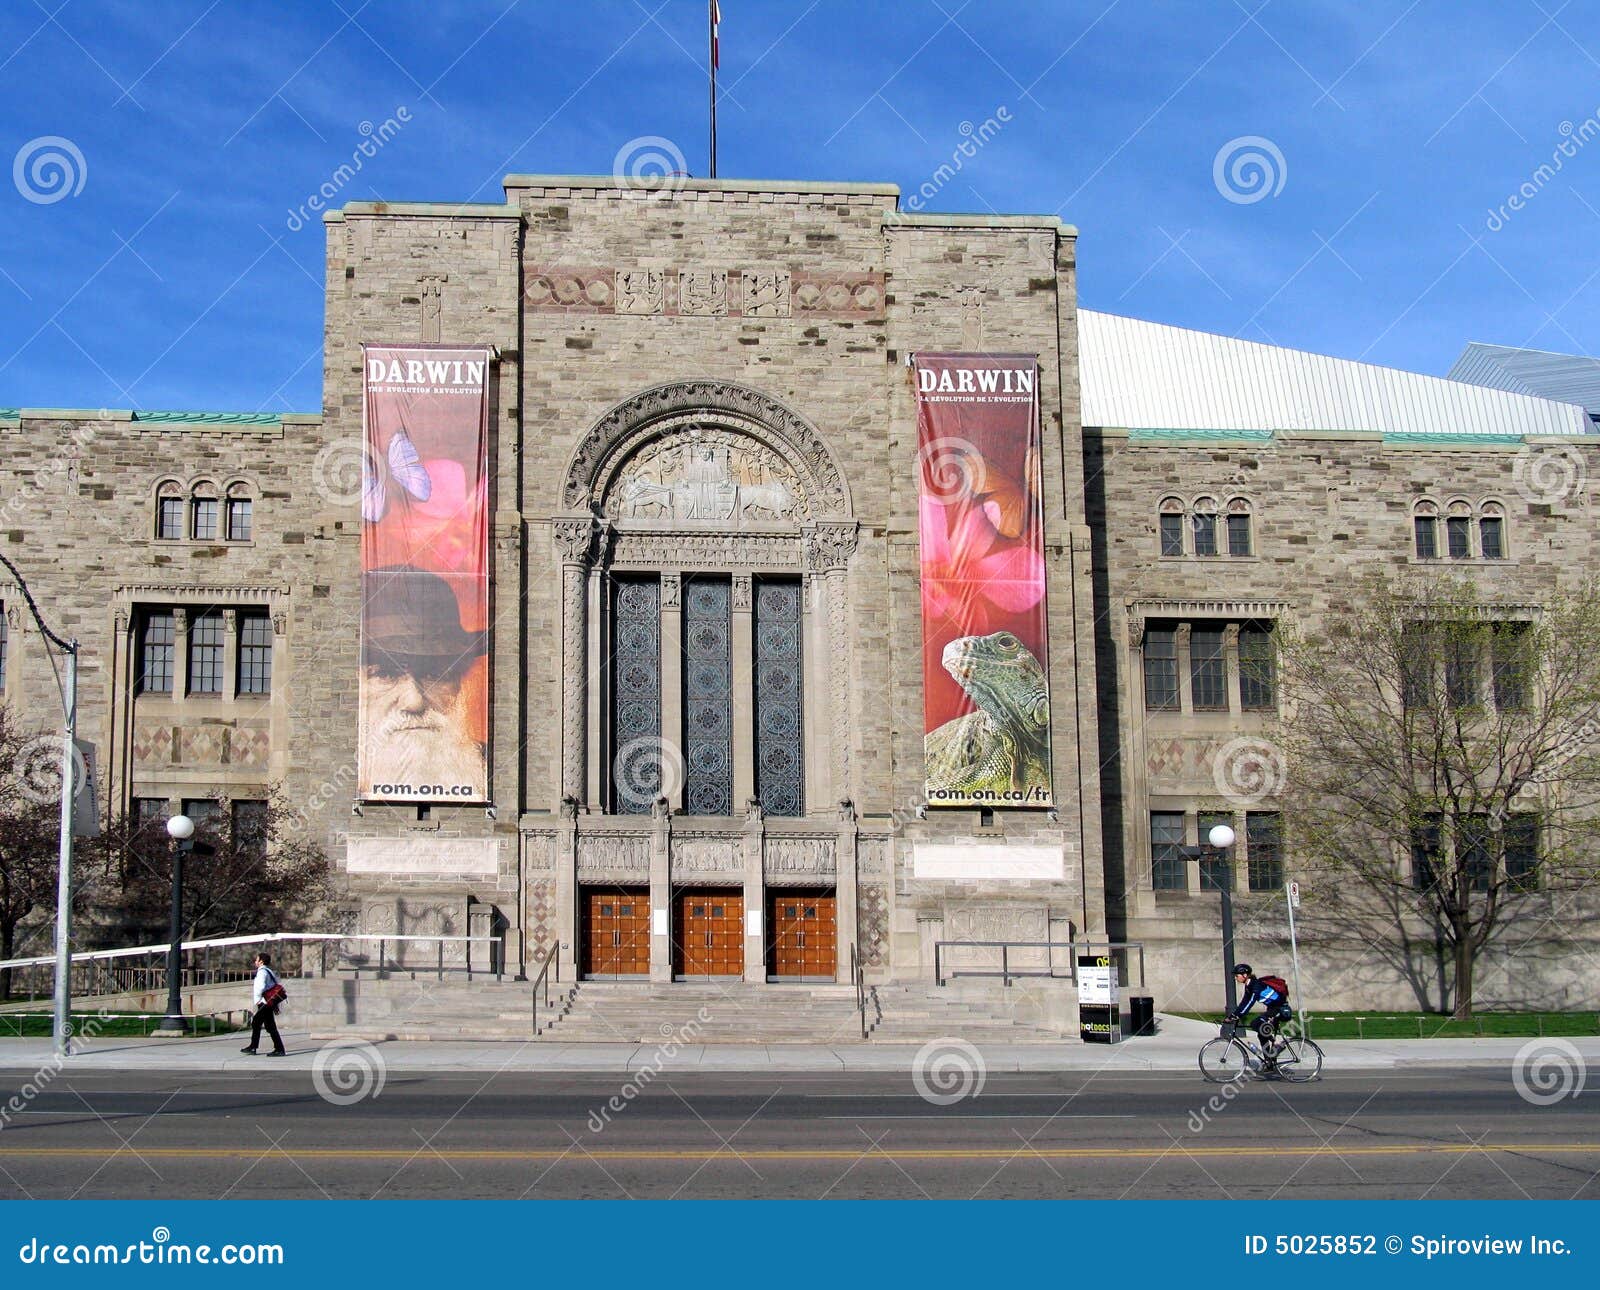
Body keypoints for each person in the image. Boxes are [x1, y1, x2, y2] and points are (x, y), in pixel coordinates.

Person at [359, 566, 487, 797]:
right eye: (385, 674)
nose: (414, 702)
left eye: (433, 674)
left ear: (460, 684)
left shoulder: (495, 770)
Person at [1226, 963, 1292, 1062]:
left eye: (1237, 975)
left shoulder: (1255, 985)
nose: (1235, 978)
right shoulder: (1249, 986)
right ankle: (1269, 1062)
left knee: (1256, 1023)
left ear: (1245, 975)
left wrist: (1237, 1015)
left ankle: (1278, 1043)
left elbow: (1250, 1002)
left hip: (1280, 1009)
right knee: (1261, 1034)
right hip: (1272, 1009)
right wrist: (1234, 1015)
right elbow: (1244, 1002)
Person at [242, 951, 287, 1056]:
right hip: (268, 1002)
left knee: (257, 1023)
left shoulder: (262, 972)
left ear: (261, 961)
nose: (255, 961)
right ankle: (278, 1048)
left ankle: (254, 1047)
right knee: (269, 1026)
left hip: (264, 1002)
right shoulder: (269, 971)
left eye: (257, 960)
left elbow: (261, 986)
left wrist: (258, 999)